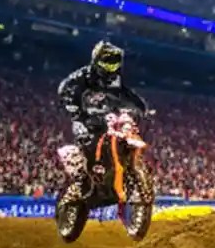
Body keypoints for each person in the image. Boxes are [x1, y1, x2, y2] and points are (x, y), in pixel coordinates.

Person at [55, 41, 149, 199]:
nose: (110, 69)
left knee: (122, 132)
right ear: (96, 61)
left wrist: (139, 105)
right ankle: (83, 178)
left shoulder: (114, 80)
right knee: (85, 137)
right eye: (107, 65)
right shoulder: (82, 77)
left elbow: (124, 93)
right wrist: (76, 111)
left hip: (104, 117)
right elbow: (64, 90)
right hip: (83, 117)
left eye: (113, 66)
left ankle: (122, 172)